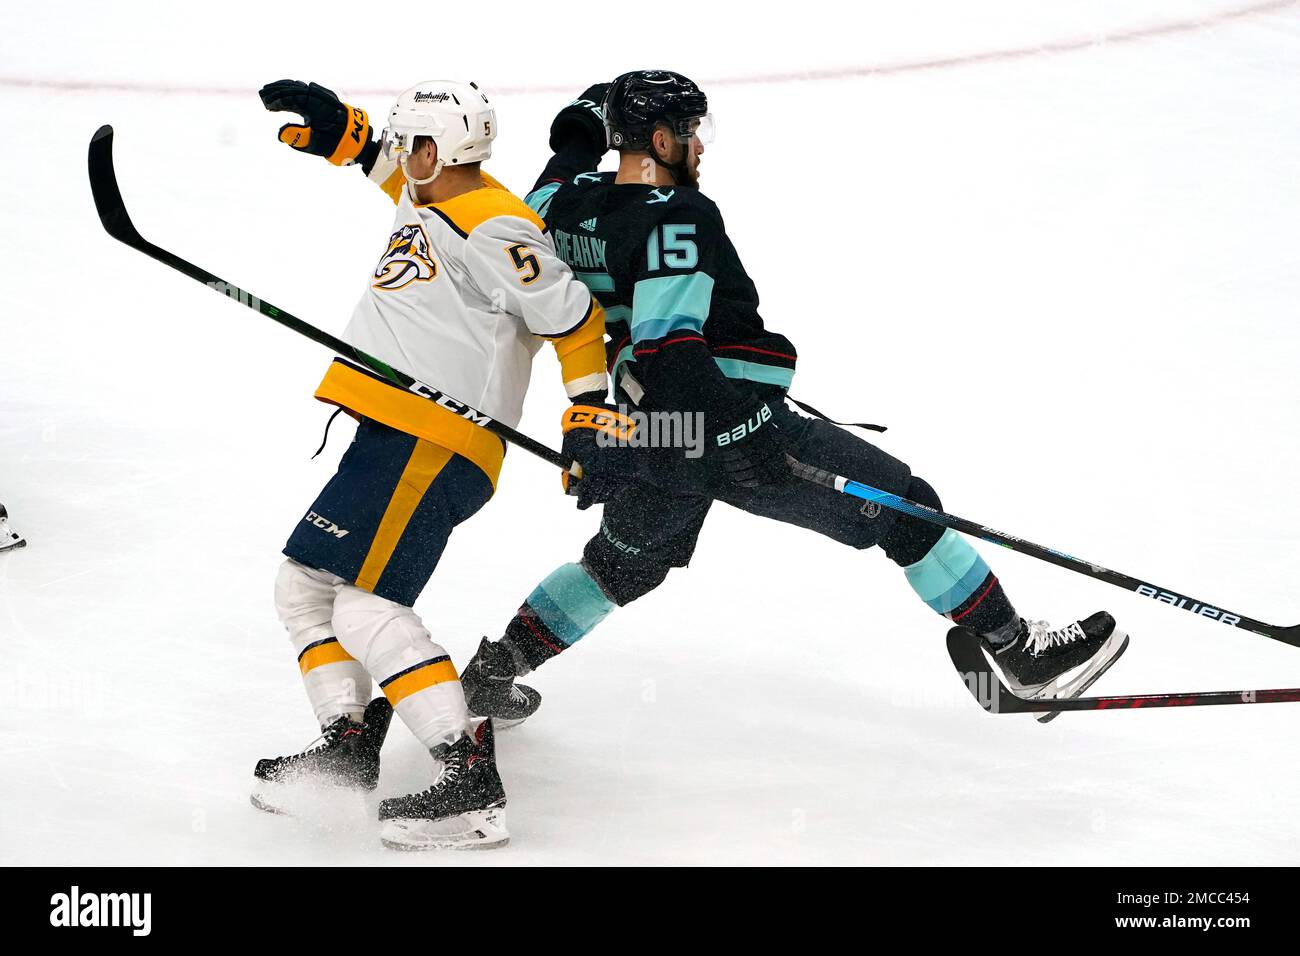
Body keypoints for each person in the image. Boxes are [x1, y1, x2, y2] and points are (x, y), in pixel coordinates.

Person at [459, 71, 1128, 722]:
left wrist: (584, 123)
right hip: (721, 417)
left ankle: (495, 672)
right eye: (690, 131)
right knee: (907, 511)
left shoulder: (564, 201)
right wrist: (744, 432)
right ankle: (1021, 658)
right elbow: (671, 351)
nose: (699, 145)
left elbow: (564, 156)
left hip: (651, 432)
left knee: (624, 563)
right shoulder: (680, 215)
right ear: (660, 142)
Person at [250, 78, 610, 849]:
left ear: (438, 149)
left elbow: (577, 319)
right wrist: (344, 137)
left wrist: (585, 418)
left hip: (435, 438)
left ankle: (468, 776)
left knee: (365, 605)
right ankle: (349, 747)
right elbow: (397, 181)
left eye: (408, 139)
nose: (400, 150)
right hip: (391, 430)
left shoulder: (496, 224)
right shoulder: (435, 196)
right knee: (305, 586)